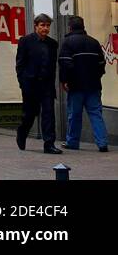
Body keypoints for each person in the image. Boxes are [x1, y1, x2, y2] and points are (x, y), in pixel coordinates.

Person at [58, 16, 109, 152]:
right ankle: (102, 143)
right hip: (93, 85)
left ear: (70, 27)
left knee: (74, 115)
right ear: (83, 26)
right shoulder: (94, 42)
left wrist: (65, 80)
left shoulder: (68, 42)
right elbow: (101, 64)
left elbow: (65, 64)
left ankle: (73, 142)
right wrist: (95, 77)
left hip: (76, 86)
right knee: (96, 114)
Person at [15, 13, 62, 154]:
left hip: (47, 85)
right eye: (42, 25)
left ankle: (49, 144)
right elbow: (20, 64)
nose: (45, 28)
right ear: (36, 26)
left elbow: (53, 66)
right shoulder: (25, 41)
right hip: (30, 85)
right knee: (30, 114)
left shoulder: (53, 44)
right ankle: (22, 132)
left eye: (47, 26)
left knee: (48, 114)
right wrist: (23, 82)